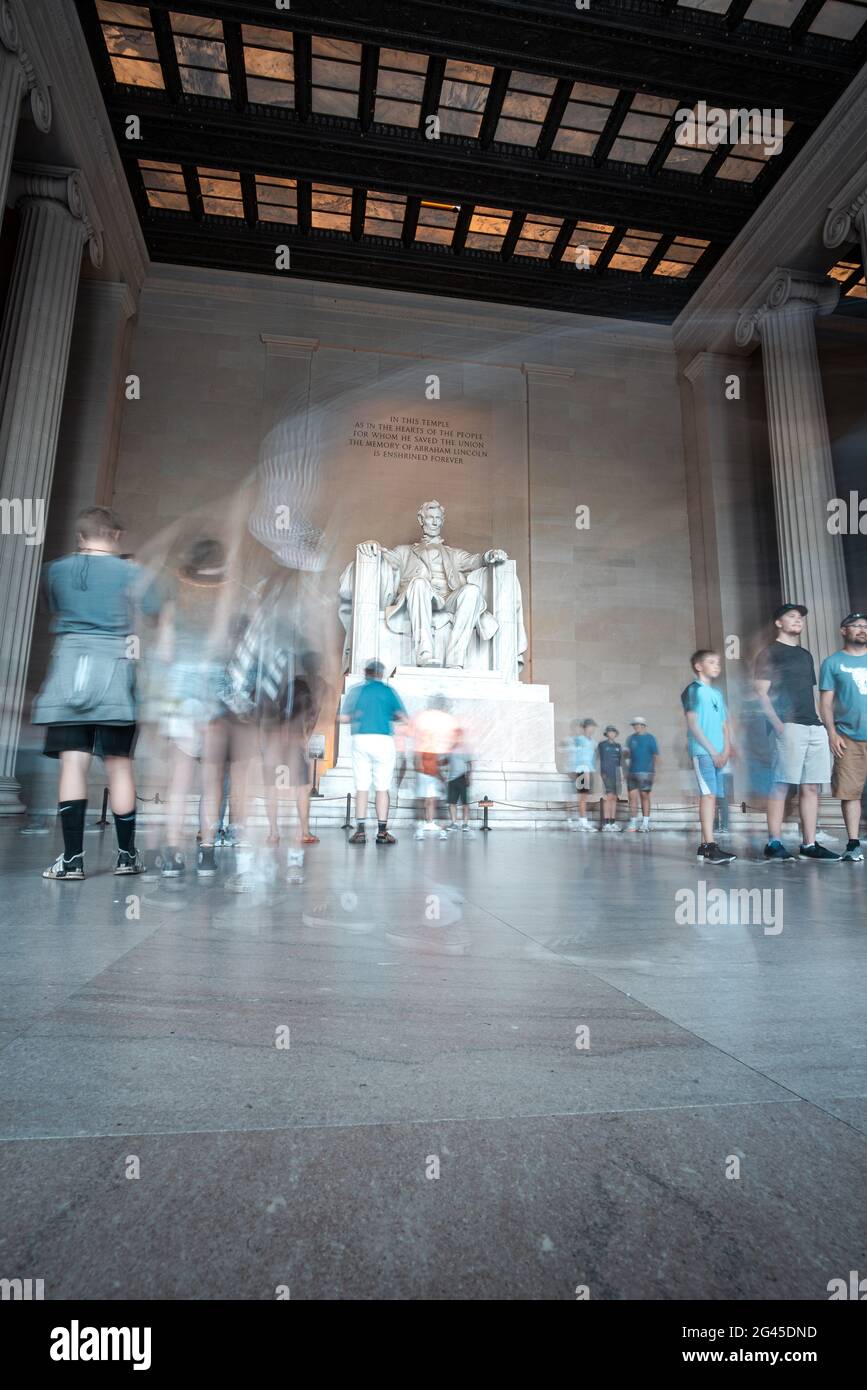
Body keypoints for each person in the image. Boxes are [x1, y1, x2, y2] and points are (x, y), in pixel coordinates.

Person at [32, 506, 162, 880]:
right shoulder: (133, 573)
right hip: (116, 672)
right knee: (119, 766)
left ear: (80, 536)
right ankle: (126, 856)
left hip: (69, 670)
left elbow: (52, 608)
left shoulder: (55, 569)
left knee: (73, 763)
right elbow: (153, 612)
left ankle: (72, 860)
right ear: (117, 535)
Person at [754, 602, 839, 862]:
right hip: (788, 725)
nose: (798, 619)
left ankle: (809, 844)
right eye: (792, 616)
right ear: (778, 622)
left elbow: (808, 693)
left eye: (800, 617)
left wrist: (821, 725)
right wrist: (778, 724)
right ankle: (774, 842)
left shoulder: (805, 655)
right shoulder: (770, 653)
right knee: (781, 785)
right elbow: (761, 693)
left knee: (811, 787)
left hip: (812, 725)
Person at [339, 660, 407, 844]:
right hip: (383, 741)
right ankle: (382, 832)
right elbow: (403, 717)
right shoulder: (388, 691)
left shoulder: (356, 691)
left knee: (361, 787)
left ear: (365, 673)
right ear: (380, 674)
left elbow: (343, 717)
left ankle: (360, 831)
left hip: (361, 739)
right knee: (382, 788)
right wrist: (388, 715)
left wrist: (357, 716)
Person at [819, 611, 867, 863]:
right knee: (850, 792)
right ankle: (853, 844)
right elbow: (825, 702)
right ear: (843, 631)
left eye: (865, 626)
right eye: (856, 625)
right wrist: (832, 732)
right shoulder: (832, 663)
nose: (862, 629)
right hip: (848, 736)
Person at [680, 650, 736, 865]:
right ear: (698, 666)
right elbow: (693, 724)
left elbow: (724, 725)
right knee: (708, 795)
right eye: (711, 662)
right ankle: (710, 847)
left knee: (715, 797)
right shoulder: (694, 691)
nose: (717, 665)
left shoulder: (717, 694)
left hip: (719, 754)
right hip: (703, 753)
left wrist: (726, 750)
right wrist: (713, 750)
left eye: (718, 662)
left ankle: (705, 845)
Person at [411, 694, 456, 839]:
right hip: (424, 773)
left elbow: (437, 761)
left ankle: (430, 821)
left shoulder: (433, 746)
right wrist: (421, 769)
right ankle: (423, 821)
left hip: (432, 773)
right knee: (424, 799)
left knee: (431, 799)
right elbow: (418, 758)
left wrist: (442, 772)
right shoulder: (422, 743)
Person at [624, 718, 659, 832]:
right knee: (632, 797)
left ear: (643, 725)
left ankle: (645, 823)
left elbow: (656, 756)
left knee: (644, 796)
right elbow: (627, 754)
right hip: (632, 772)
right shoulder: (631, 738)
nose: (635, 727)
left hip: (646, 772)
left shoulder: (650, 738)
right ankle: (633, 822)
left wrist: (655, 772)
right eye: (634, 725)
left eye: (637, 725)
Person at [565, 718, 598, 831]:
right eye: (589, 726)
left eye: (593, 726)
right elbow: (572, 754)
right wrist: (573, 770)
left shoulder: (593, 741)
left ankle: (583, 821)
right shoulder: (579, 739)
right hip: (581, 769)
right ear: (585, 728)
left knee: (587, 796)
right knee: (583, 796)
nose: (591, 729)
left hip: (590, 770)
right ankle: (582, 823)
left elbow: (593, 757)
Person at [445, 726, 474, 833]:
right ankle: (454, 823)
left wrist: (469, 777)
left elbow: (469, 763)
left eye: (457, 734)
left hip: (462, 777)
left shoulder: (465, 748)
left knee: (465, 802)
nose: (455, 736)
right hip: (451, 778)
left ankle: (465, 824)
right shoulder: (451, 748)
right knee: (452, 802)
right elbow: (447, 761)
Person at [598, 725, 623, 832]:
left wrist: (621, 775)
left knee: (614, 798)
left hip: (616, 774)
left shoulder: (618, 746)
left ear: (615, 734)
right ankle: (606, 823)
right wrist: (601, 773)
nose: (611, 734)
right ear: (606, 733)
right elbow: (598, 759)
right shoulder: (602, 745)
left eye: (613, 732)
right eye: (609, 732)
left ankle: (612, 822)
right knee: (608, 797)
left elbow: (620, 762)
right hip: (606, 774)